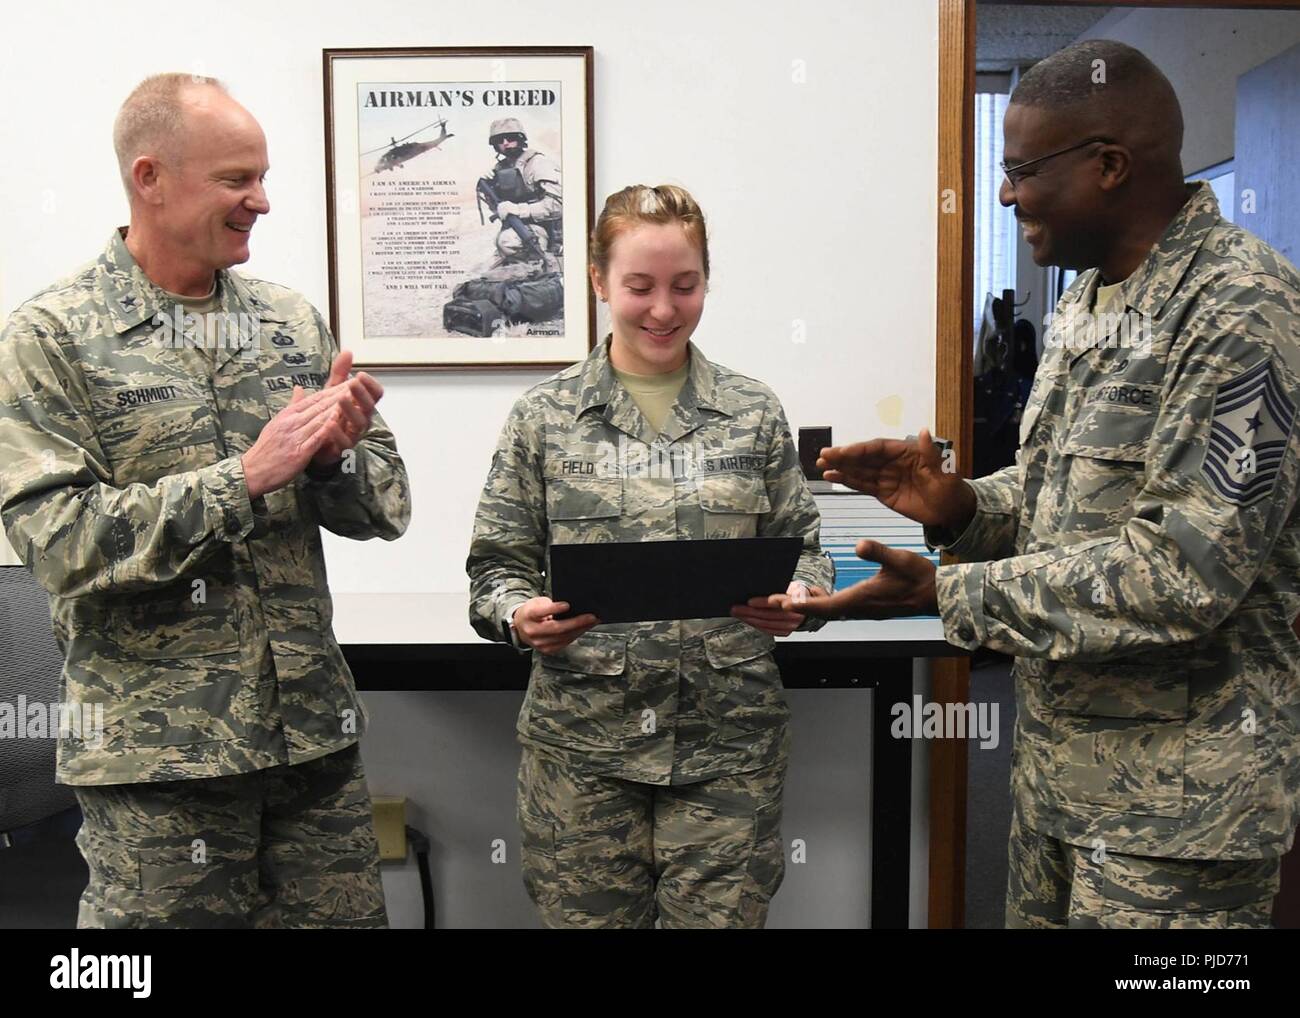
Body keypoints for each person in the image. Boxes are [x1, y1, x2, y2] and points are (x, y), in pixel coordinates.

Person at [773, 40, 1300, 929]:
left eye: (1020, 169)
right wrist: (962, 508)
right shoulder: (1086, 300)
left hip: (1179, 819)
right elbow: (1058, 490)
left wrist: (948, 592)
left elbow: (1182, 571)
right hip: (1058, 782)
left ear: (1108, 166)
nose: (1007, 194)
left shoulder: (1241, 311)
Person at [0, 73, 411, 928]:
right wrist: (242, 479)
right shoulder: (51, 337)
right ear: (149, 177)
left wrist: (334, 466)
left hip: (312, 752)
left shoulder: (291, 324)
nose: (261, 200)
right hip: (160, 772)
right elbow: (62, 544)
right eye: (236, 179)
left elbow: (387, 507)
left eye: (262, 177)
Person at [467, 183, 834, 928]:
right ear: (599, 281)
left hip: (727, 748)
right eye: (639, 287)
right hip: (583, 750)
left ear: (706, 281)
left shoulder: (753, 411)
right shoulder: (543, 418)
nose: (664, 309)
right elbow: (494, 568)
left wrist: (798, 598)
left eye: (685, 285)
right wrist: (516, 615)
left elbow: (809, 553)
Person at [482, 117, 562, 265]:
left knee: (507, 241)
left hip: (546, 231)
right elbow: (498, 209)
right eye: (500, 140)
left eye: (510, 138)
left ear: (520, 139)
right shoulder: (500, 169)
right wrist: (490, 189)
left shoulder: (538, 163)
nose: (505, 143)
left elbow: (559, 205)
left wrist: (519, 210)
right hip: (516, 230)